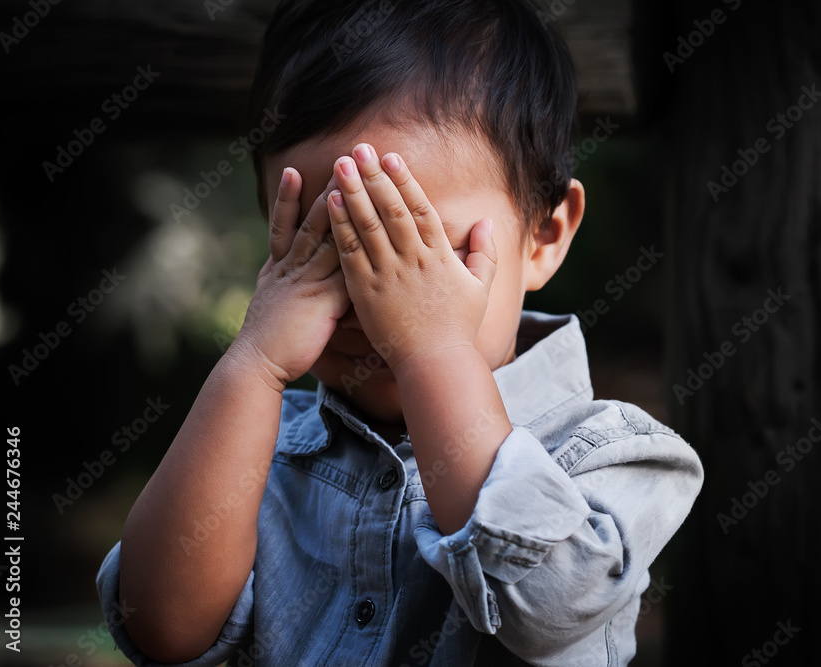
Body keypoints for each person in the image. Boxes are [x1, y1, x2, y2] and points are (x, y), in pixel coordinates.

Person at [97, 0, 703, 664]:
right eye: (326, 245)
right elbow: (159, 626)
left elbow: (551, 609)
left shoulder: (610, 454)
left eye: (419, 253)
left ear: (544, 234)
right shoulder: (254, 452)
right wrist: (254, 362)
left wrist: (432, 351)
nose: (375, 299)